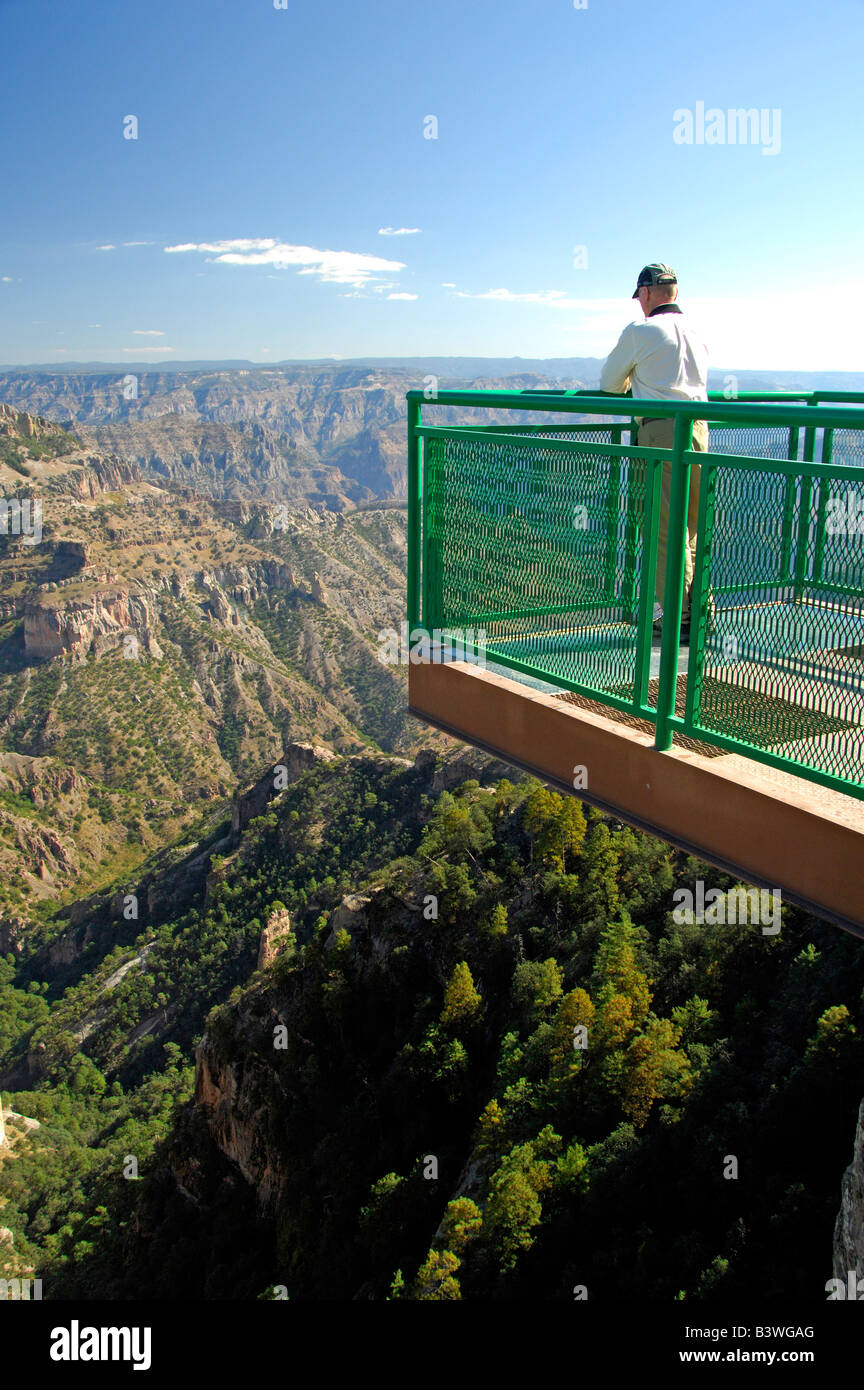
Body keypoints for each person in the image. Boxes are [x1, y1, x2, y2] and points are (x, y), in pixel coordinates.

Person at [599, 264, 709, 639]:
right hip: (699, 429)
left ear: (646, 293)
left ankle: (677, 618)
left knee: (665, 528)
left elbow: (610, 384)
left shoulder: (641, 331)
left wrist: (635, 379)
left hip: (661, 432)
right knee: (692, 526)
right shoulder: (696, 330)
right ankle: (699, 611)